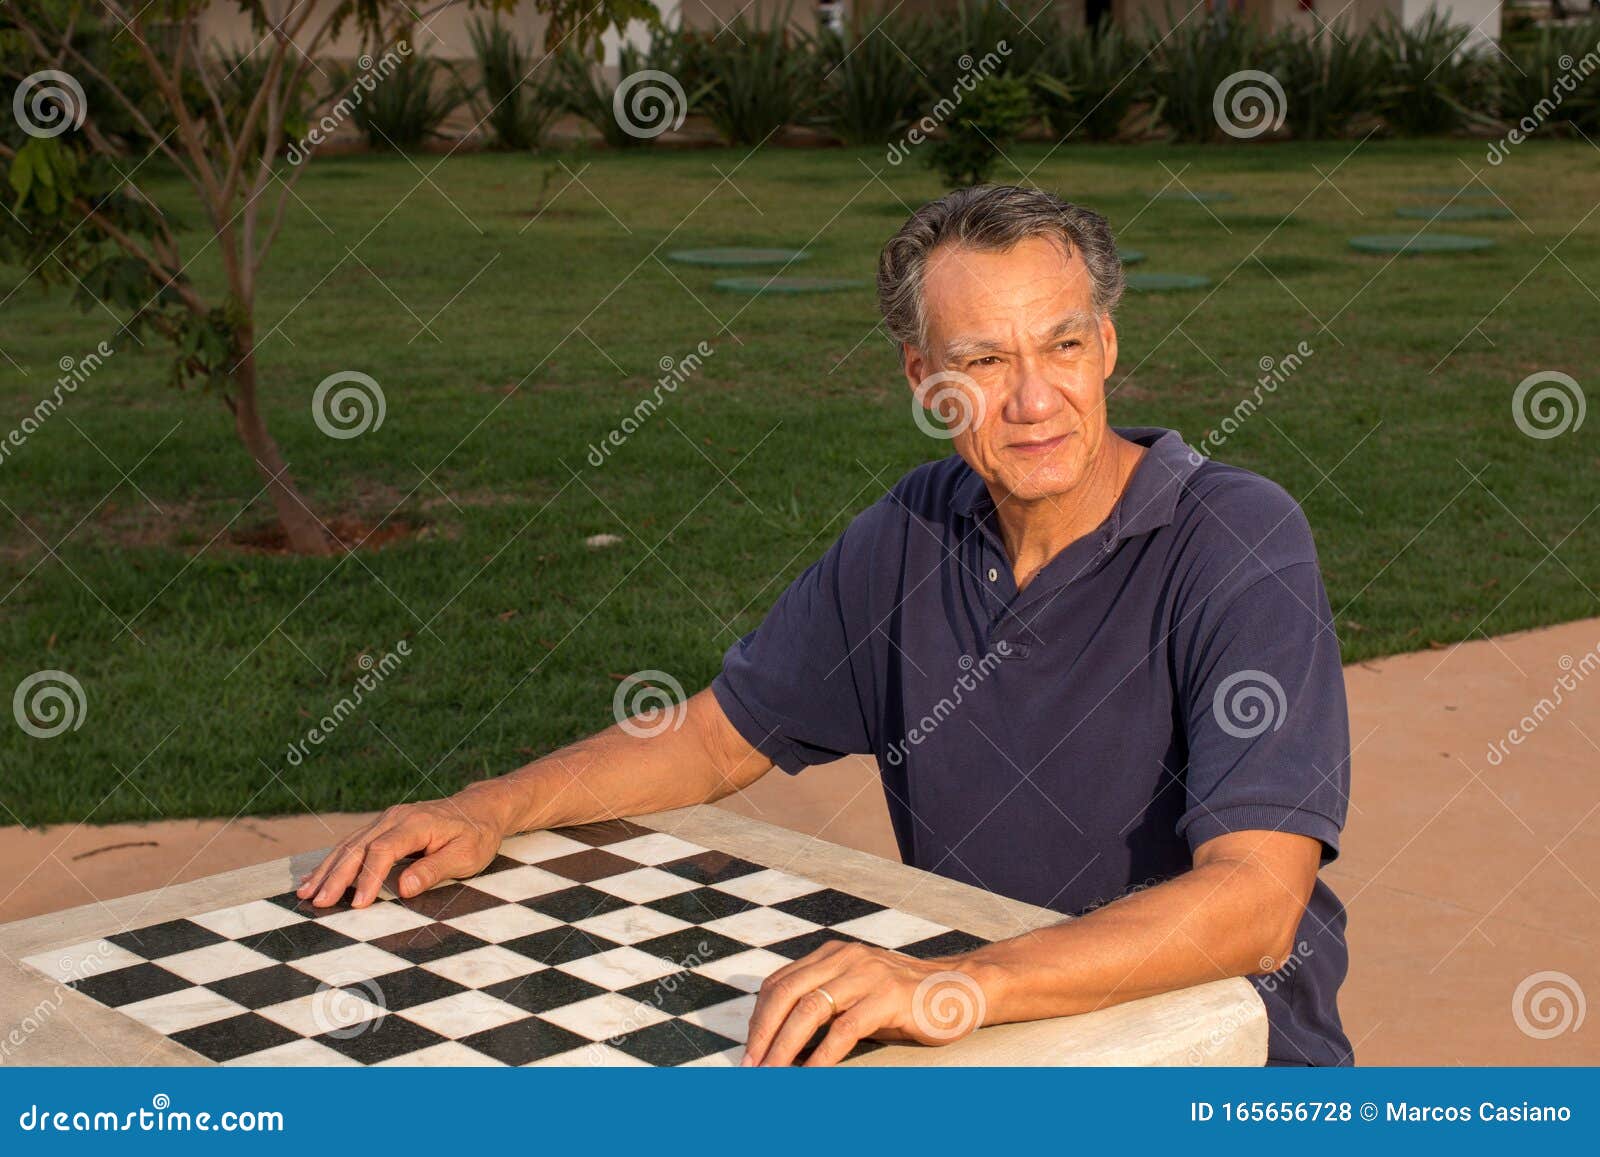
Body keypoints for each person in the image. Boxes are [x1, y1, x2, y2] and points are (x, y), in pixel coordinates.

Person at [299, 185, 1352, 1067]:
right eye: (985, 362)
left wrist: (948, 982)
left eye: (1062, 344)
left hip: (1221, 1061)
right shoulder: (909, 532)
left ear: (1107, 345)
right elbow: (716, 737)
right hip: (995, 1044)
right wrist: (489, 806)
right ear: (923, 379)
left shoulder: (1236, 538)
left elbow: (1255, 901)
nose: (1034, 399)